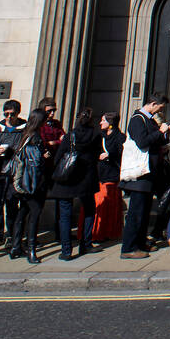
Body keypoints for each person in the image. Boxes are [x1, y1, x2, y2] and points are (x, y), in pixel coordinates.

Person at [120, 93, 170, 259]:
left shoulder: (149, 120)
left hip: (150, 172)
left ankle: (140, 242)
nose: (160, 111)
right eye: (159, 107)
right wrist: (160, 131)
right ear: (152, 103)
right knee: (136, 211)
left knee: (144, 211)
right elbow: (143, 142)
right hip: (140, 173)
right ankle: (128, 248)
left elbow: (155, 141)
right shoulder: (137, 119)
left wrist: (166, 134)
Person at [48, 106, 102, 260]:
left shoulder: (70, 136)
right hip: (86, 177)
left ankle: (66, 250)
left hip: (68, 178)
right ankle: (86, 243)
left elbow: (59, 156)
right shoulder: (96, 135)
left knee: (65, 214)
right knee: (89, 210)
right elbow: (97, 154)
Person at [9, 109, 52, 263]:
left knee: (22, 213)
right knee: (34, 215)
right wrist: (45, 155)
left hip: (22, 182)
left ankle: (15, 246)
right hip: (34, 183)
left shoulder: (24, 135)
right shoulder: (36, 138)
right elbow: (37, 164)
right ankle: (31, 250)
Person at [0, 100, 23, 250]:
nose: (9, 117)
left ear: (18, 113)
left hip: (14, 172)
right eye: (6, 114)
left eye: (12, 114)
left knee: (12, 204)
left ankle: (11, 234)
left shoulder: (23, 129)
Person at [91, 111, 125, 243]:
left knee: (109, 205)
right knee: (99, 204)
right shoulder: (99, 136)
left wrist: (110, 155)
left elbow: (122, 154)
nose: (100, 123)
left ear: (110, 124)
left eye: (103, 120)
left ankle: (109, 231)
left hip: (112, 175)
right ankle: (98, 231)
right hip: (99, 174)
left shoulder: (120, 137)